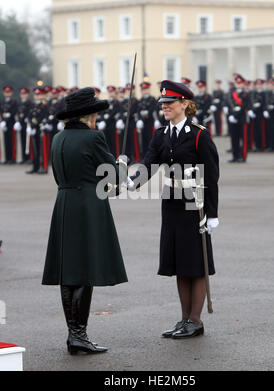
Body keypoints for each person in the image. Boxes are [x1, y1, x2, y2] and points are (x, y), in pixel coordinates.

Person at [130, 80, 219, 339]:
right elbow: (149, 163)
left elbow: (212, 177)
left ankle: (195, 320)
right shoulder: (161, 135)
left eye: (170, 103)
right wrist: (131, 181)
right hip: (171, 202)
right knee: (180, 262)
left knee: (197, 263)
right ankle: (184, 319)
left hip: (195, 204)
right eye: (163, 104)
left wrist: (212, 214)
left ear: (185, 104)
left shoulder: (199, 135)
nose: (165, 107)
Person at [42, 87, 128, 354]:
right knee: (84, 272)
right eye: (95, 115)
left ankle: (74, 334)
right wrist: (122, 164)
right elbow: (113, 176)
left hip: (65, 203)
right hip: (88, 207)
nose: (97, 120)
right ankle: (78, 335)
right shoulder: (94, 138)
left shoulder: (57, 139)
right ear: (89, 116)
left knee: (69, 273)